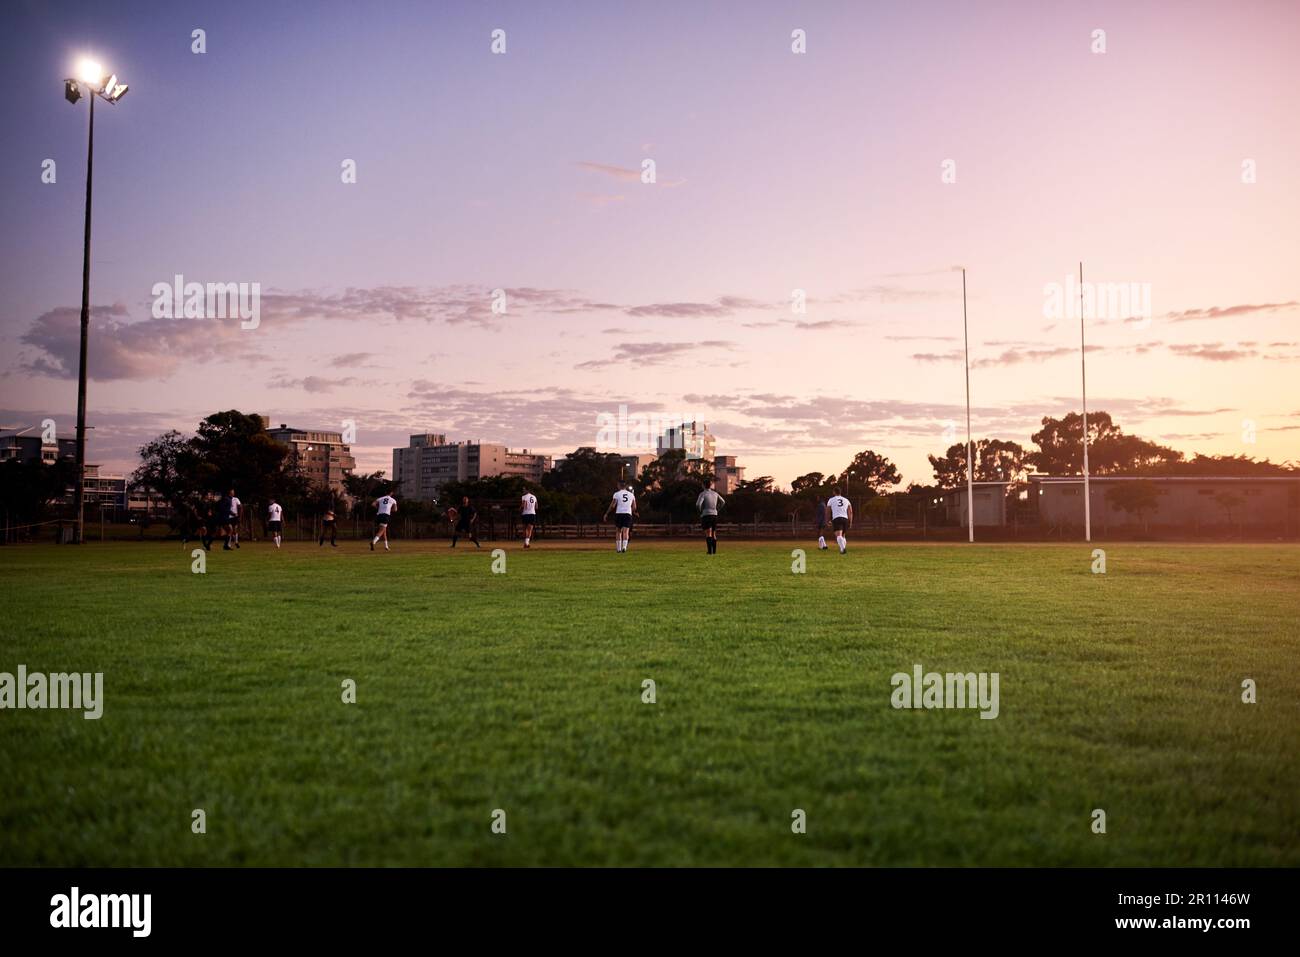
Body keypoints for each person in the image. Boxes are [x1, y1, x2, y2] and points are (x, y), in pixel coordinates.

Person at [602, 482, 638, 553]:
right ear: (625, 486)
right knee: (626, 532)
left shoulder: (617, 494)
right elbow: (634, 507)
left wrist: (607, 513)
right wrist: (634, 512)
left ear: (619, 486)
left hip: (619, 514)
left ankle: (618, 549)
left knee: (618, 531)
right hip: (627, 514)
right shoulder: (631, 495)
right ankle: (624, 547)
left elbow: (613, 505)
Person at [696, 478, 725, 554]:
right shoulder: (715, 493)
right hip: (714, 514)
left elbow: (698, 504)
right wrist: (717, 509)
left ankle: (710, 552)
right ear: (710, 485)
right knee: (714, 533)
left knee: (708, 533)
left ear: (703, 485)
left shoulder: (703, 494)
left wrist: (700, 511)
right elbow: (723, 502)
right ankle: (714, 552)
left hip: (706, 514)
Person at [827, 487, 853, 554]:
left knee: (838, 535)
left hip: (837, 518)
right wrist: (850, 521)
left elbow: (828, 511)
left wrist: (828, 520)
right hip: (845, 518)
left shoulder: (831, 500)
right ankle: (842, 549)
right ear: (840, 492)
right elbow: (850, 512)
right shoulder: (846, 500)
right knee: (843, 535)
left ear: (834, 492)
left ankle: (843, 549)